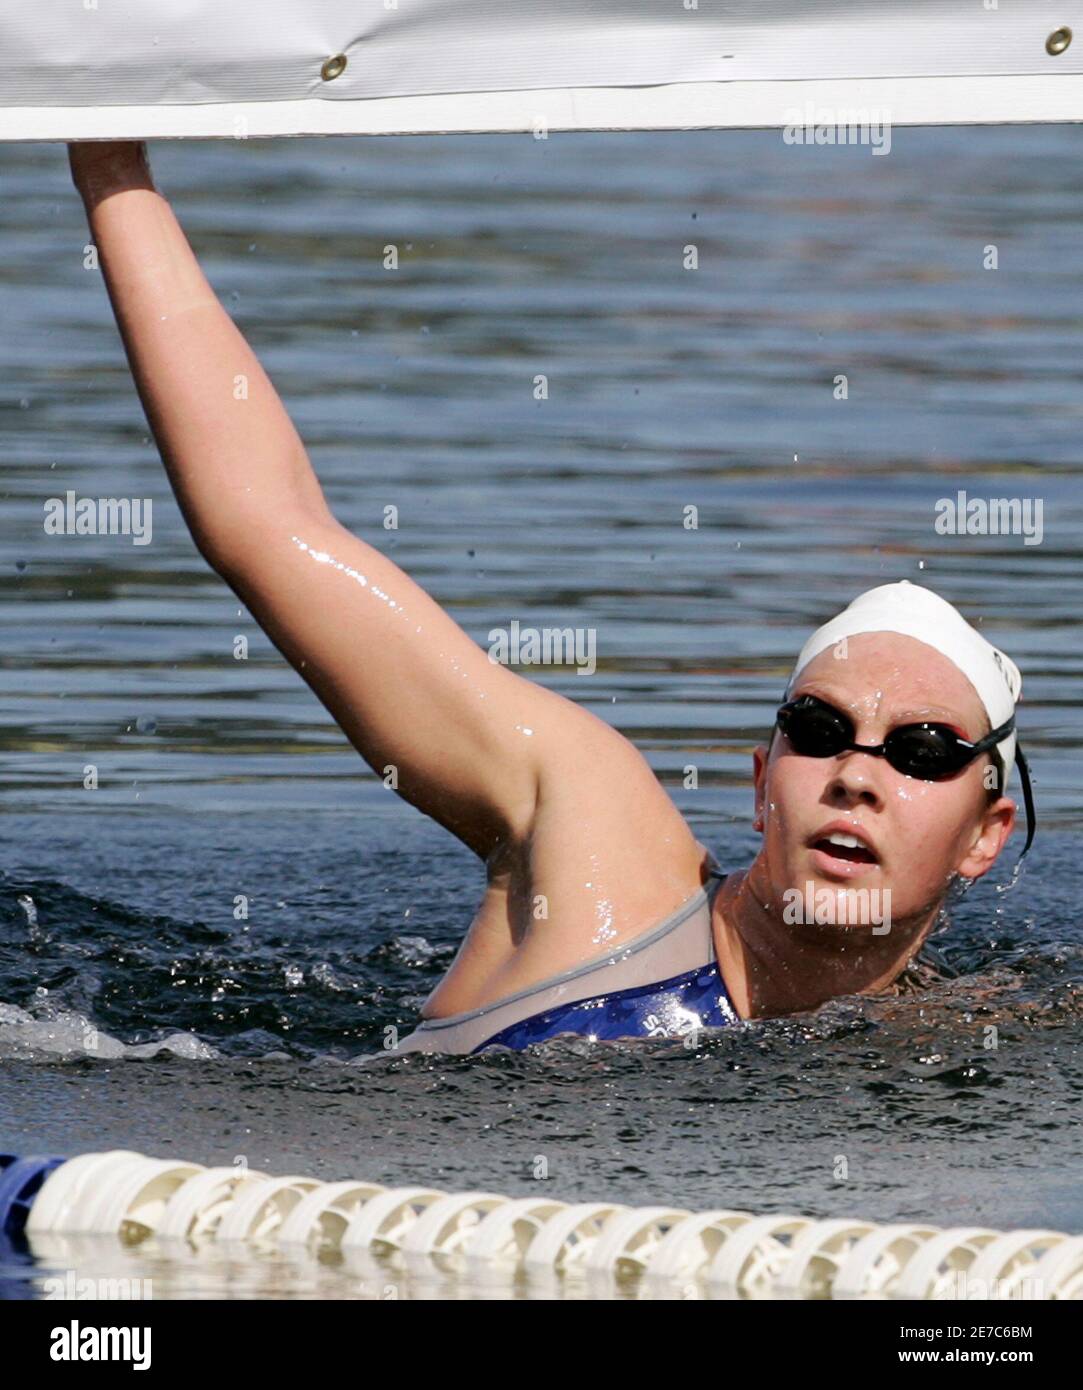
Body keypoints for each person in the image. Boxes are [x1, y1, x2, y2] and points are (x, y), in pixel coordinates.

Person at [66, 140, 1035, 1056]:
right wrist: (110, 163)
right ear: (759, 783)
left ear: (986, 835)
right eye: (819, 730)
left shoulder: (964, 1052)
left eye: (918, 751)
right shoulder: (592, 834)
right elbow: (269, 530)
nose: (854, 774)